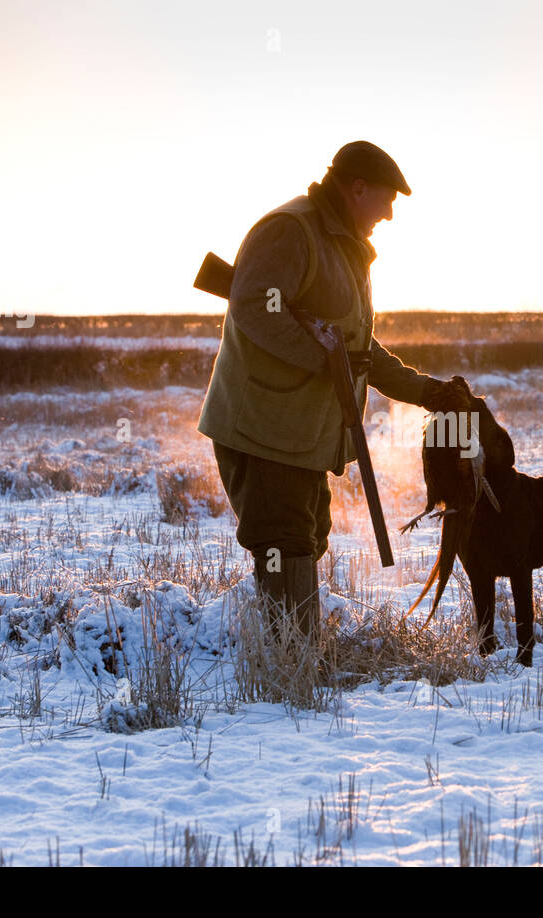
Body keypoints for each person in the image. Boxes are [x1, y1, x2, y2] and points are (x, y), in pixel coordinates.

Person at [197, 141, 459, 641]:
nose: (388, 214)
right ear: (356, 188)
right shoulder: (292, 231)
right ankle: (290, 671)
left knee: (307, 535)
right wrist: (324, 359)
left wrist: (424, 391)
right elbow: (256, 308)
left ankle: (298, 657)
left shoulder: (340, 243)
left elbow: (354, 345)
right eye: (384, 201)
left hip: (299, 434)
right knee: (284, 538)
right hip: (264, 428)